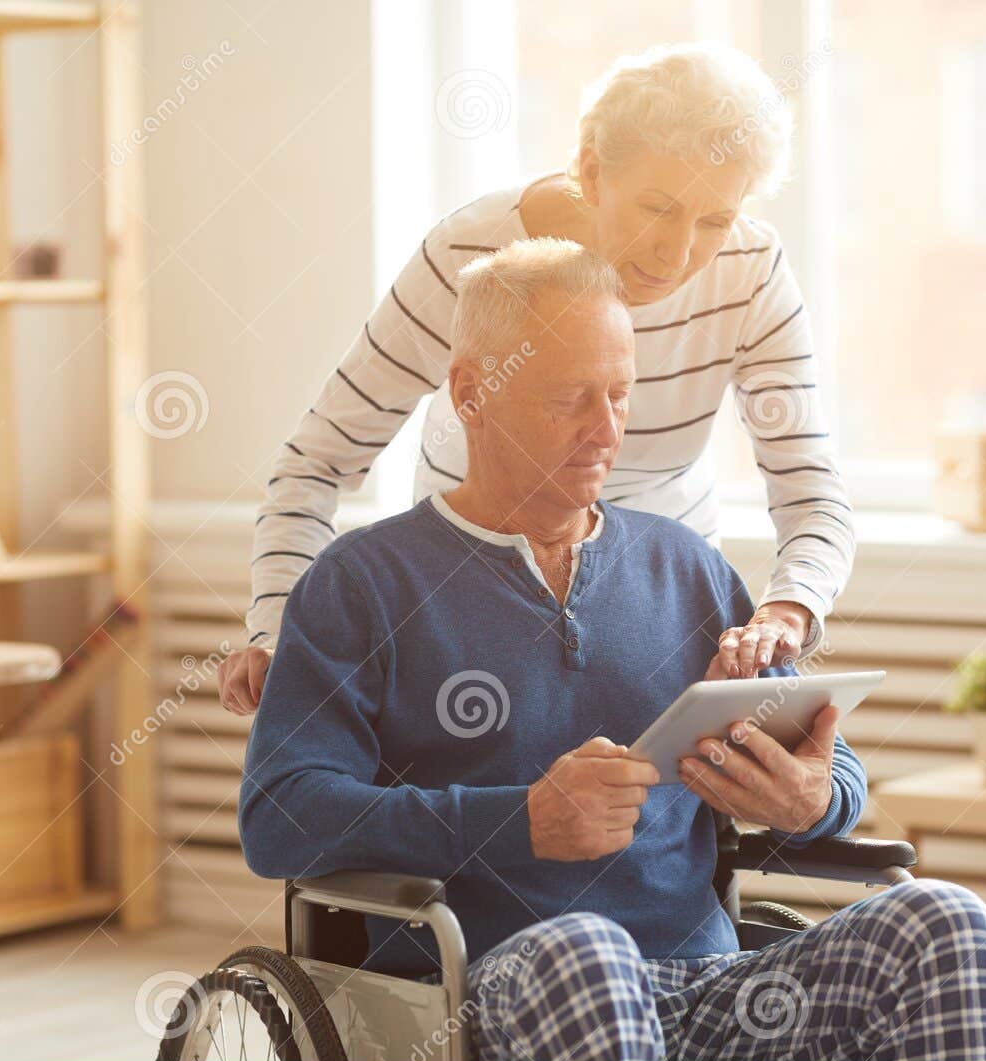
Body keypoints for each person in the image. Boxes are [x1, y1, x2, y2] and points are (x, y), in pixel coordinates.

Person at [239, 239, 986, 1061]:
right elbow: (279, 816)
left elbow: (837, 773)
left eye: (620, 394)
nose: (607, 430)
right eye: (570, 397)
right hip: (492, 989)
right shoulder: (363, 582)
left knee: (948, 921)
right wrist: (518, 819)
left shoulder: (685, 568)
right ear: (472, 393)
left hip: (712, 986)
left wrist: (811, 799)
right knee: (588, 953)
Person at [219, 43, 857, 713]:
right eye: (657, 208)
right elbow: (317, 463)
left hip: (657, 592)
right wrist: (280, 635)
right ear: (590, 168)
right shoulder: (469, 254)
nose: (678, 253)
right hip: (475, 578)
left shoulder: (750, 269)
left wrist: (787, 613)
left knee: (667, 799)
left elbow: (810, 488)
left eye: (715, 220)